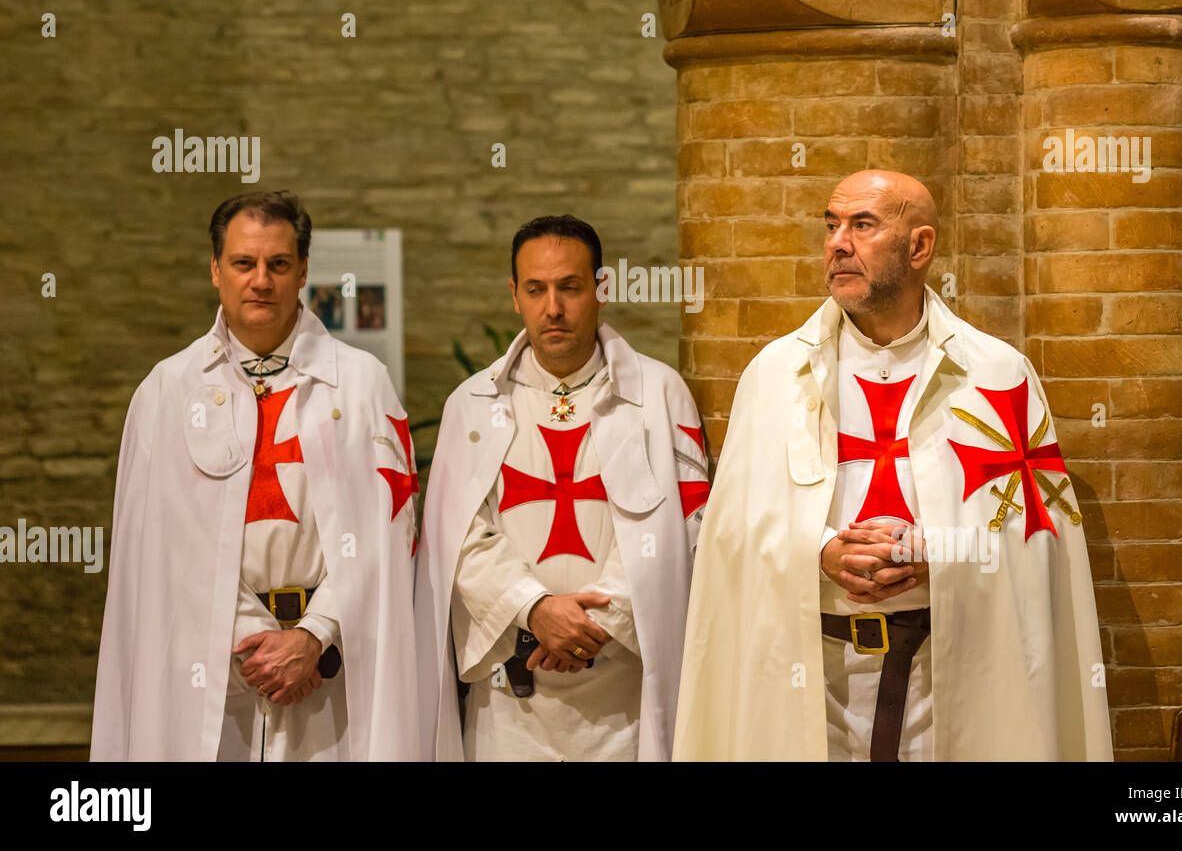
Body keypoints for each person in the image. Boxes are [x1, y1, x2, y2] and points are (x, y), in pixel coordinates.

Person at [674, 170, 1112, 761]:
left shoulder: (997, 376)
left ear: (920, 247)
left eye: (862, 225)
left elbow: (1038, 542)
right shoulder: (774, 375)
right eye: (831, 225)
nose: (837, 243)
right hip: (809, 682)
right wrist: (822, 550)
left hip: (951, 679)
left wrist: (940, 550)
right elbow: (730, 533)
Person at [91, 191, 420, 761]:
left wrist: (313, 634)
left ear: (304, 272)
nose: (261, 280)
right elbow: (154, 544)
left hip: (331, 671)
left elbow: (390, 531)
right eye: (244, 263)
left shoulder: (364, 384)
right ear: (216, 269)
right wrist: (255, 642)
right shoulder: (167, 391)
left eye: (279, 264)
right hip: (210, 675)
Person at [414, 215, 709, 761]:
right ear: (515, 295)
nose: (553, 307)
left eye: (570, 287)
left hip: (625, 692)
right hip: (512, 700)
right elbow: (458, 539)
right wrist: (534, 609)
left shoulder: (660, 395)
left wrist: (597, 624)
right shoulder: (472, 405)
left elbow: (684, 531)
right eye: (536, 289)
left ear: (600, 289)